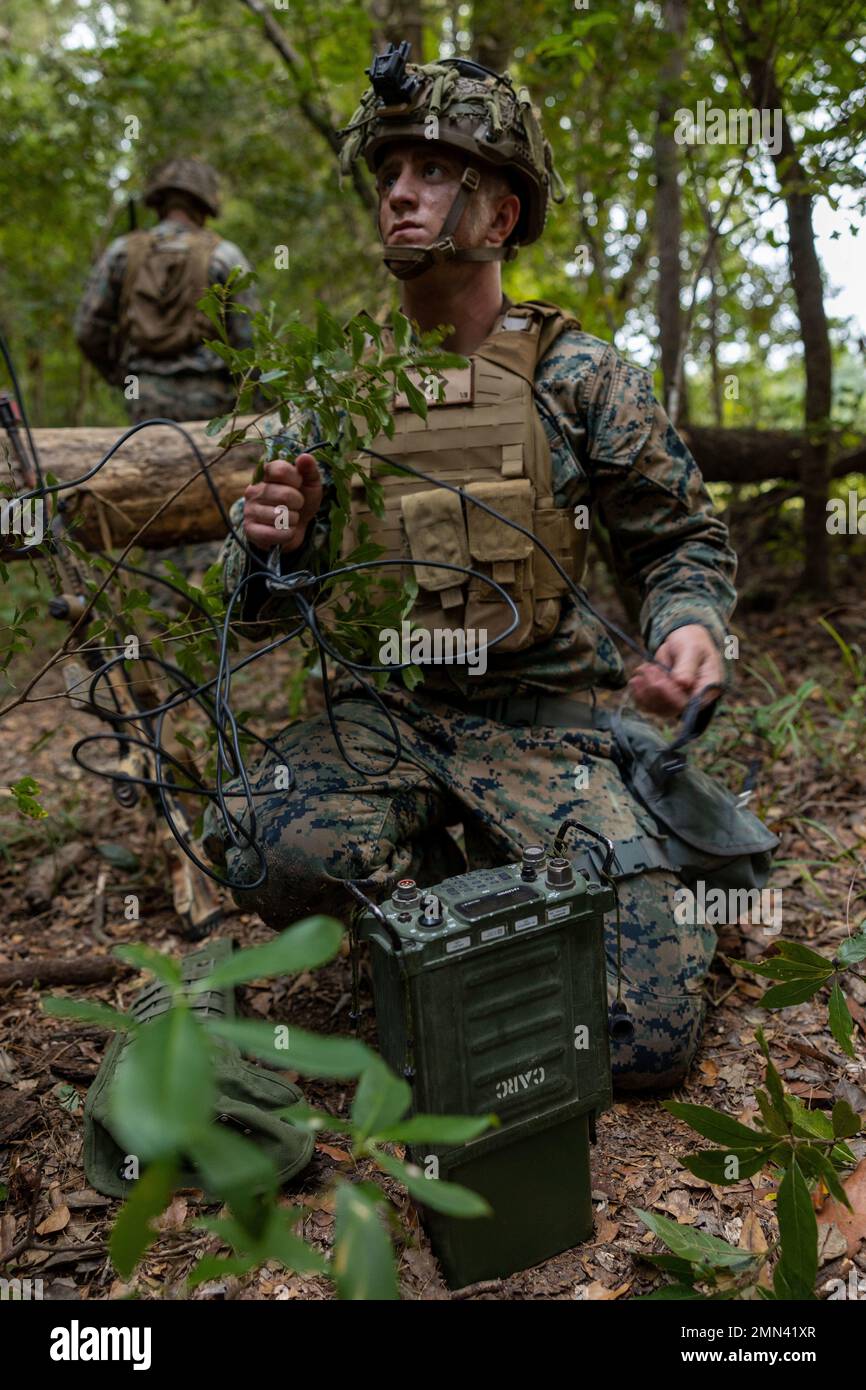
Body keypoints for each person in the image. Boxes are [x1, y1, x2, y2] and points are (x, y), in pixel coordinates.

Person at [208, 50, 747, 1091]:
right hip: (389, 714)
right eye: (387, 174)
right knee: (264, 842)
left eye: (433, 170)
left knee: (640, 1036)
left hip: (545, 721)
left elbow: (678, 539)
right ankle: (464, 898)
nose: (398, 191)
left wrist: (690, 624)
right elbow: (258, 606)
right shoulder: (336, 394)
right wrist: (269, 544)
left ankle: (557, 875)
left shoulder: (577, 375)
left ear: (499, 217)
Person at [74, 157, 257, 423]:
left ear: (158, 203)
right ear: (204, 205)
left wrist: (120, 376)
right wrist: (256, 403)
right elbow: (248, 342)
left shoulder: (122, 252)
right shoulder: (225, 256)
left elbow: (87, 330)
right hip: (210, 402)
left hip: (142, 398)